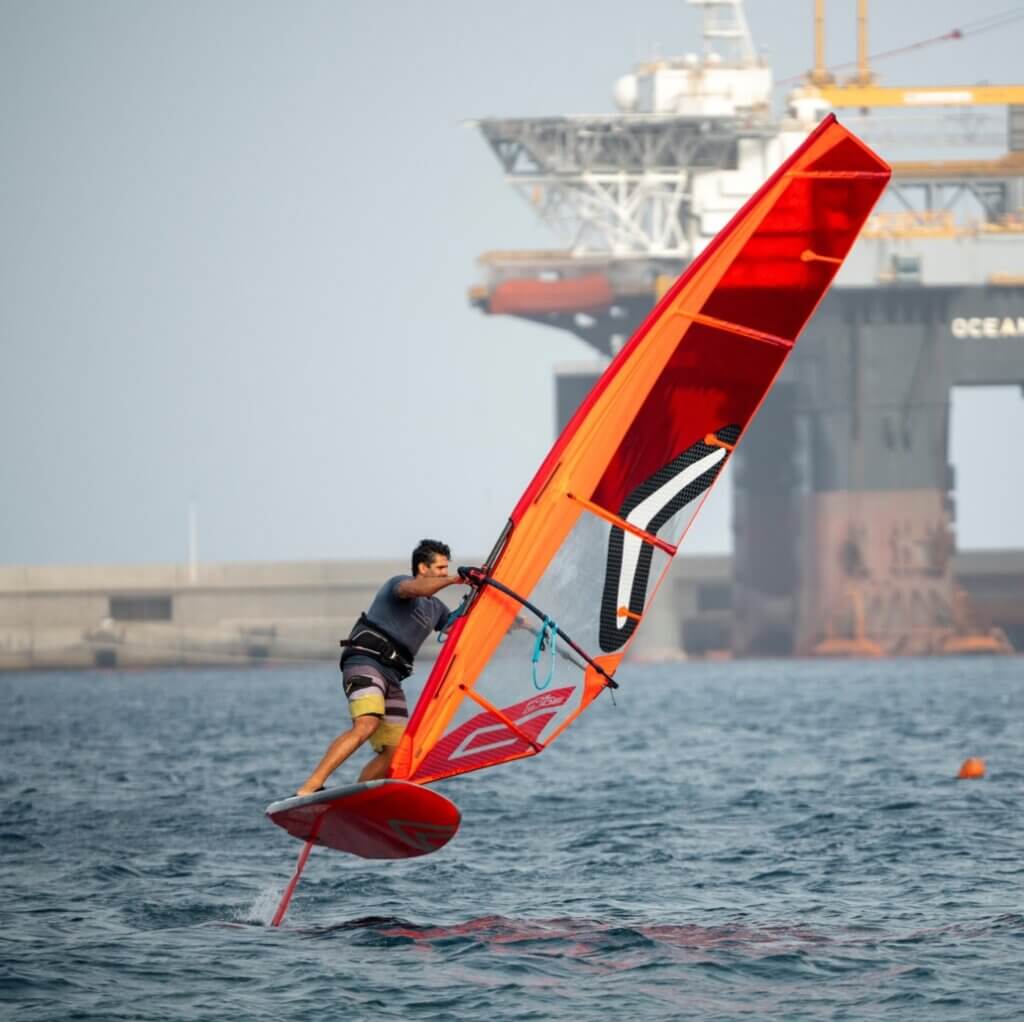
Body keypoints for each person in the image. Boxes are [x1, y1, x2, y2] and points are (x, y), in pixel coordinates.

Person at [296, 539, 466, 795]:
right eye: (441, 568)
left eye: (447, 569)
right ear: (422, 567)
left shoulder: (437, 608)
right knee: (366, 725)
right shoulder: (398, 585)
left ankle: (355, 799)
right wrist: (454, 580)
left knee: (395, 753)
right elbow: (415, 589)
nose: (445, 573)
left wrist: (511, 621)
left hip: (393, 678)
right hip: (365, 663)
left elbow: (460, 627)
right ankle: (309, 787)